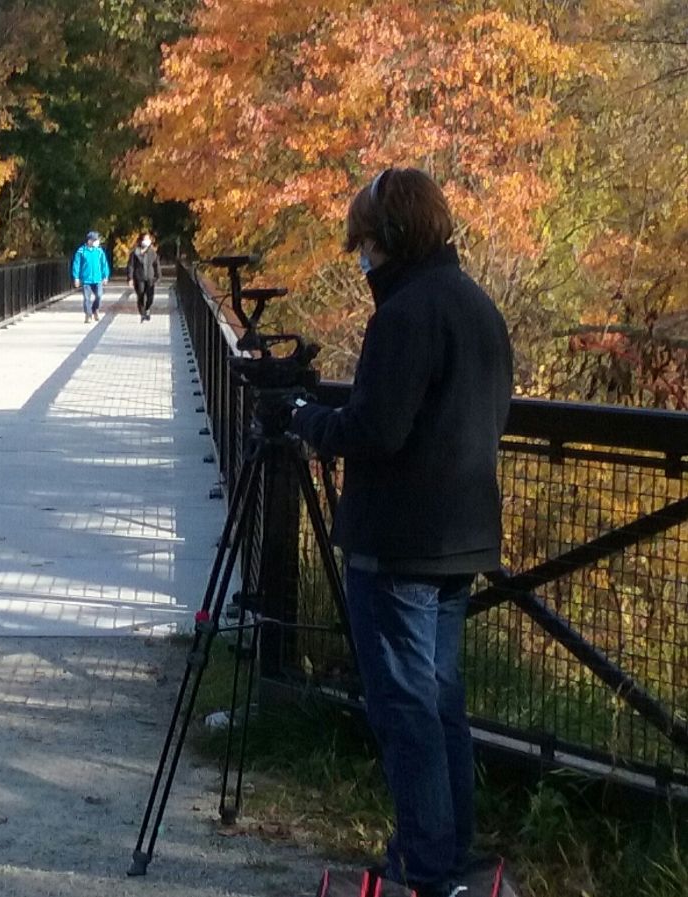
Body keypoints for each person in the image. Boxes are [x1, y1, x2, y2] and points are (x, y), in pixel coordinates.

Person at [288, 168, 513, 897]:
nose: (361, 261)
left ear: (387, 239)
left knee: (404, 708)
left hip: (398, 544)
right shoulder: (476, 306)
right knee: (439, 700)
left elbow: (376, 429)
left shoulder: (406, 314)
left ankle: (423, 861)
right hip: (462, 534)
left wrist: (307, 421)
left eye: (364, 245)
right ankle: (448, 854)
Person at [71, 231, 110, 323]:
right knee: (87, 298)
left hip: (97, 278)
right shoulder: (81, 251)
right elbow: (76, 264)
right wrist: (76, 277)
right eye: (95, 240)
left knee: (99, 296)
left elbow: (104, 264)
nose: (97, 242)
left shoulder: (99, 251)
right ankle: (88, 315)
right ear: (89, 241)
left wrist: (105, 276)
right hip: (86, 279)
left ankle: (95, 309)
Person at [127, 232, 161, 321]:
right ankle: (142, 313)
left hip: (150, 277)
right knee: (141, 295)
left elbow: (156, 265)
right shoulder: (135, 253)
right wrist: (130, 278)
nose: (146, 241)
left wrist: (158, 276)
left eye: (148, 239)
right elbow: (131, 265)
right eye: (145, 239)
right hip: (139, 277)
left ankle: (147, 309)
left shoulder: (152, 252)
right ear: (141, 241)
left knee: (150, 297)